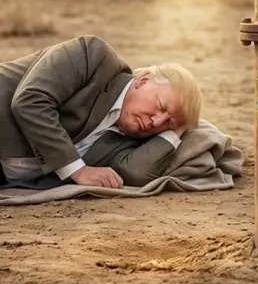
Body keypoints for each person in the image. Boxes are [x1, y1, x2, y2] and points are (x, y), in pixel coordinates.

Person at [0, 34, 202, 189]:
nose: (156, 122)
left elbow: (136, 173)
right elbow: (30, 100)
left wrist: (177, 129)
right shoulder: (93, 57)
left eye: (166, 124)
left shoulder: (130, 141)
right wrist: (78, 170)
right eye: (161, 106)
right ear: (143, 80)